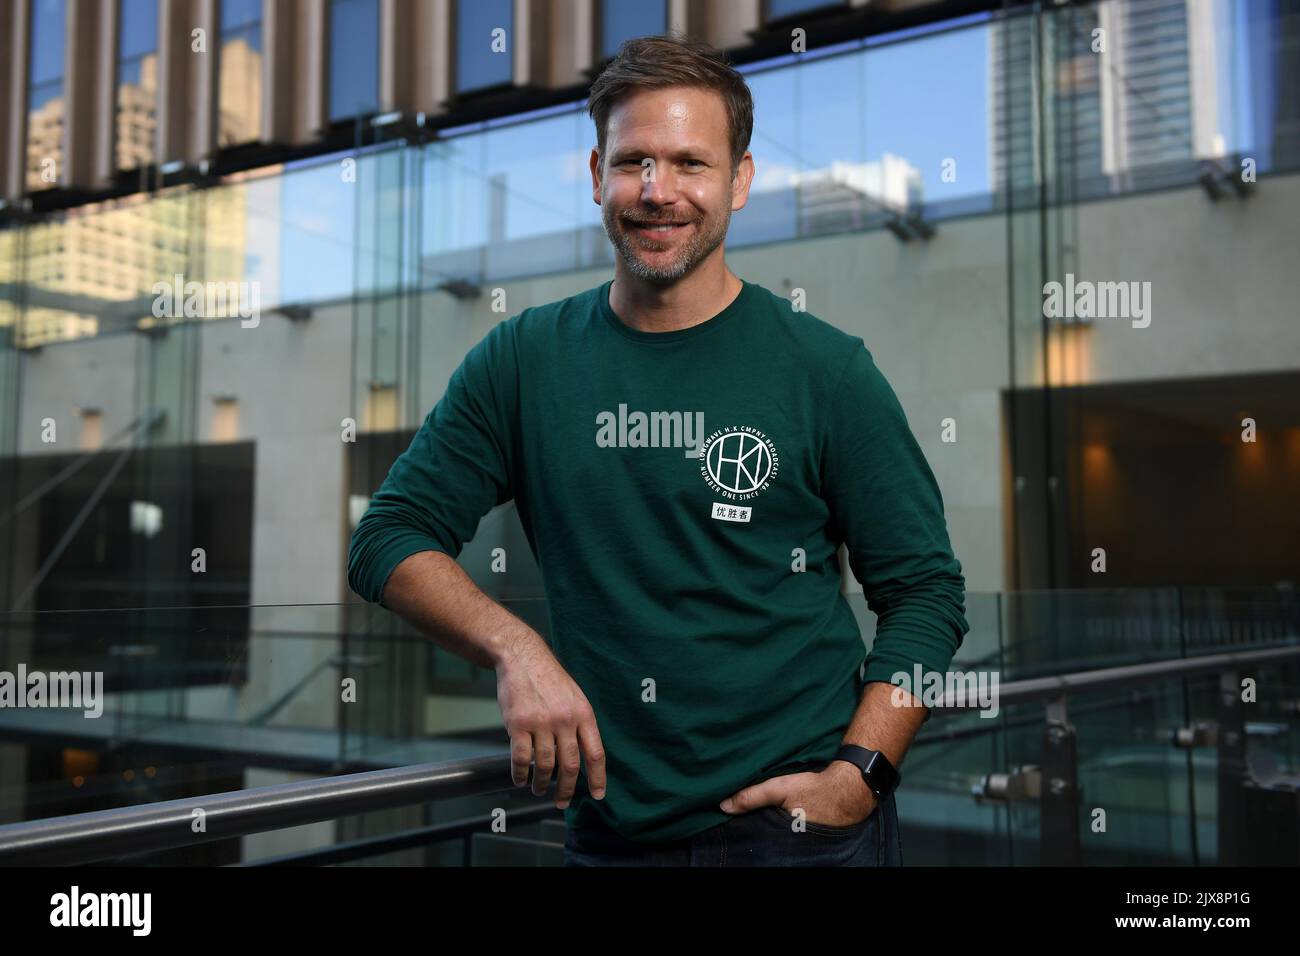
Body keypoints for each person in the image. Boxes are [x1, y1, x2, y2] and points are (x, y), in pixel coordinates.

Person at [347, 32, 969, 867]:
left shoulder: (826, 369)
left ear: (740, 181)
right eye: (634, 160)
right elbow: (388, 538)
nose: (657, 191)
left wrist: (859, 774)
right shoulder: (524, 360)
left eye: (689, 163)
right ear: (597, 172)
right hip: (612, 833)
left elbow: (927, 591)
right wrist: (516, 650)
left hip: (802, 831)